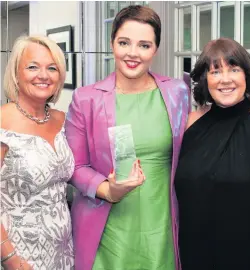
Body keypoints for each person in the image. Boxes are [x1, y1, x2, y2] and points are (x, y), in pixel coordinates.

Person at [65, 5, 190, 270]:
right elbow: (75, 167)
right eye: (124, 42)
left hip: (162, 226)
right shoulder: (86, 98)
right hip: (108, 230)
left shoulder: (178, 92)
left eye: (144, 45)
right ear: (112, 44)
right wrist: (107, 189)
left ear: (156, 49)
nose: (133, 53)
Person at [175, 37, 250, 270]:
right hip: (194, 254)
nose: (225, 79)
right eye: (215, 72)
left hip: (249, 256)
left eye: (233, 69)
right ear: (206, 80)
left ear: (246, 75)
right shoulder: (190, 122)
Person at [0, 36, 74, 269]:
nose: (43, 75)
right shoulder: (2, 122)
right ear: (16, 74)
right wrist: (8, 257)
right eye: (33, 67)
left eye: (52, 68)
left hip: (64, 252)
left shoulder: (63, 120)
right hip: (20, 254)